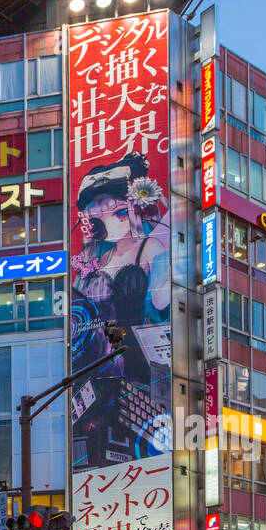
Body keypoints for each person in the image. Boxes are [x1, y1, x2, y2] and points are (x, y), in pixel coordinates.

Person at [70, 151, 171, 464]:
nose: (108, 218)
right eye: (97, 214)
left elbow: (160, 311)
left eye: (117, 210)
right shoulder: (94, 261)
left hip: (140, 375)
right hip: (94, 376)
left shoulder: (151, 248)